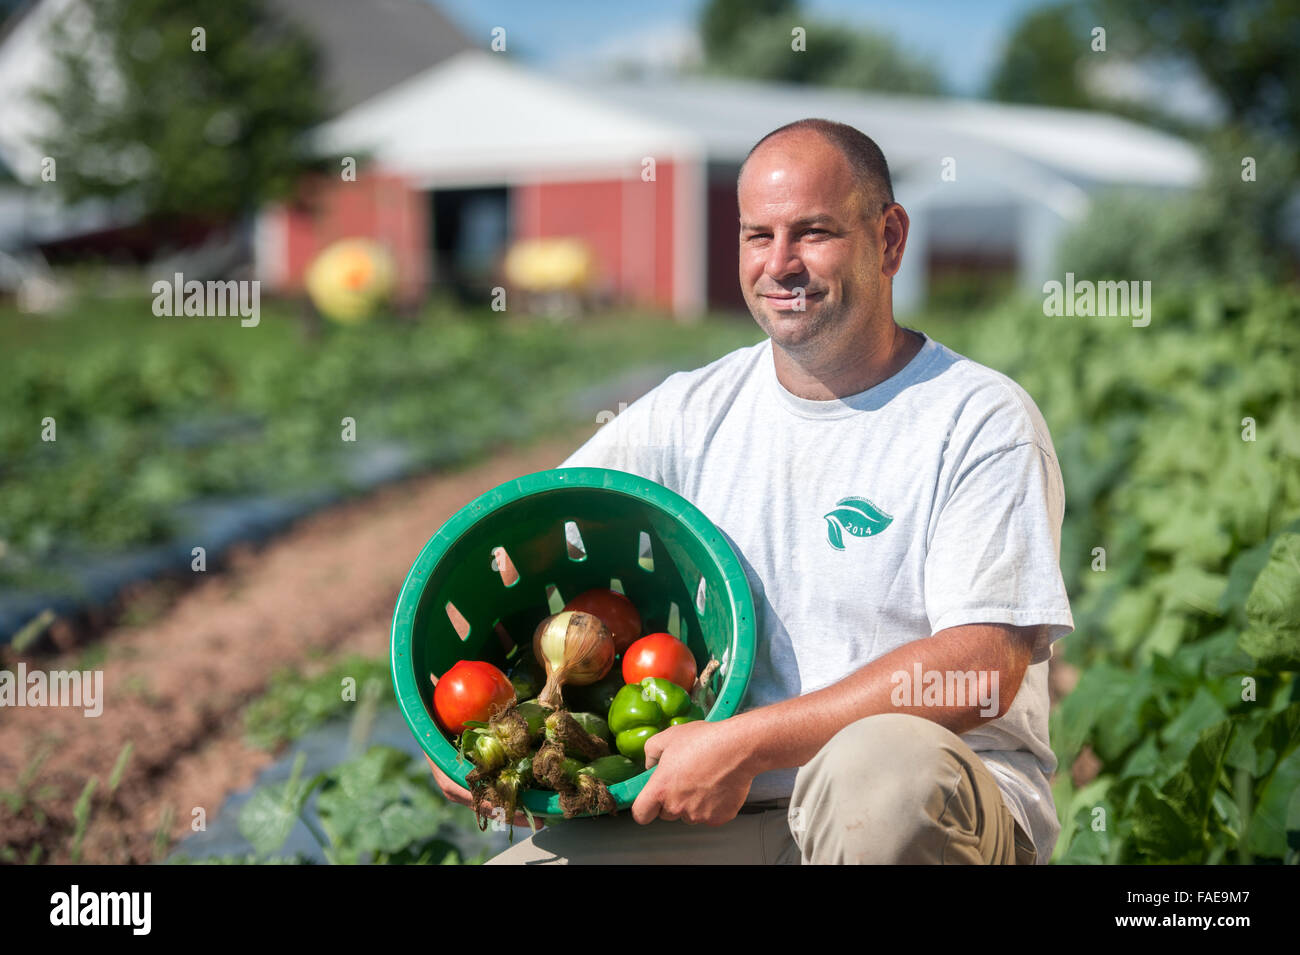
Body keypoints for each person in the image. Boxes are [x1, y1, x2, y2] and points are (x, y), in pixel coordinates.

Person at [427, 117, 1074, 864]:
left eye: (814, 232)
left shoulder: (975, 417)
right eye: (757, 235)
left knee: (878, 783)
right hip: (707, 817)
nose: (781, 263)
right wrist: (485, 730)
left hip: (925, 810)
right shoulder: (688, 413)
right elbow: (527, 542)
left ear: (890, 238)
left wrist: (746, 742)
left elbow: (982, 664)